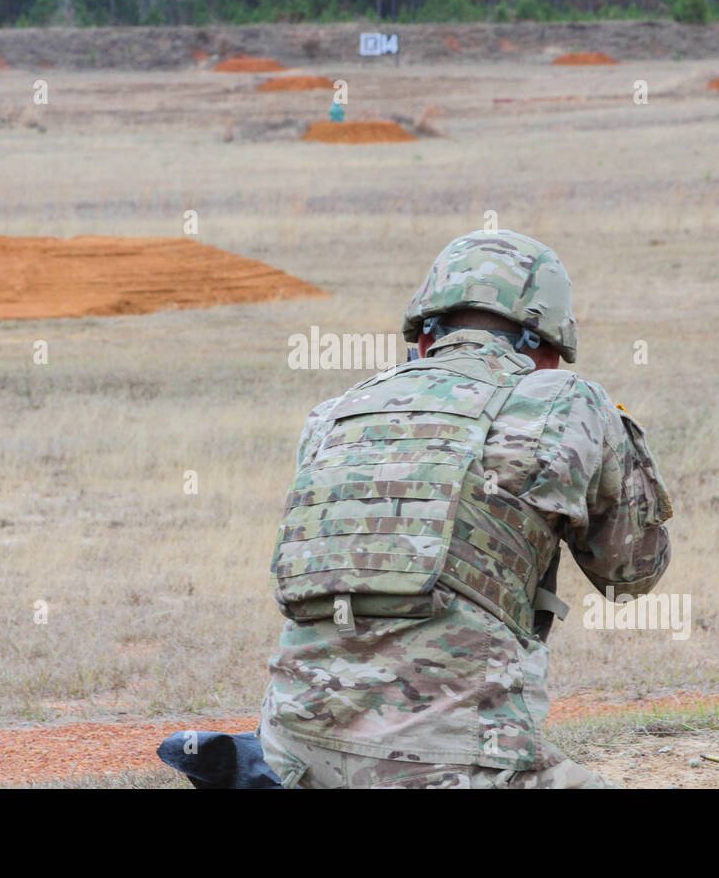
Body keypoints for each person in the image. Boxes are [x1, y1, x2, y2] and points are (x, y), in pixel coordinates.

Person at [257, 229, 674, 788]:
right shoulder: (569, 401)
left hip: (290, 752)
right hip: (454, 760)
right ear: (547, 347)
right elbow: (631, 574)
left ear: (424, 339)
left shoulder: (333, 415)